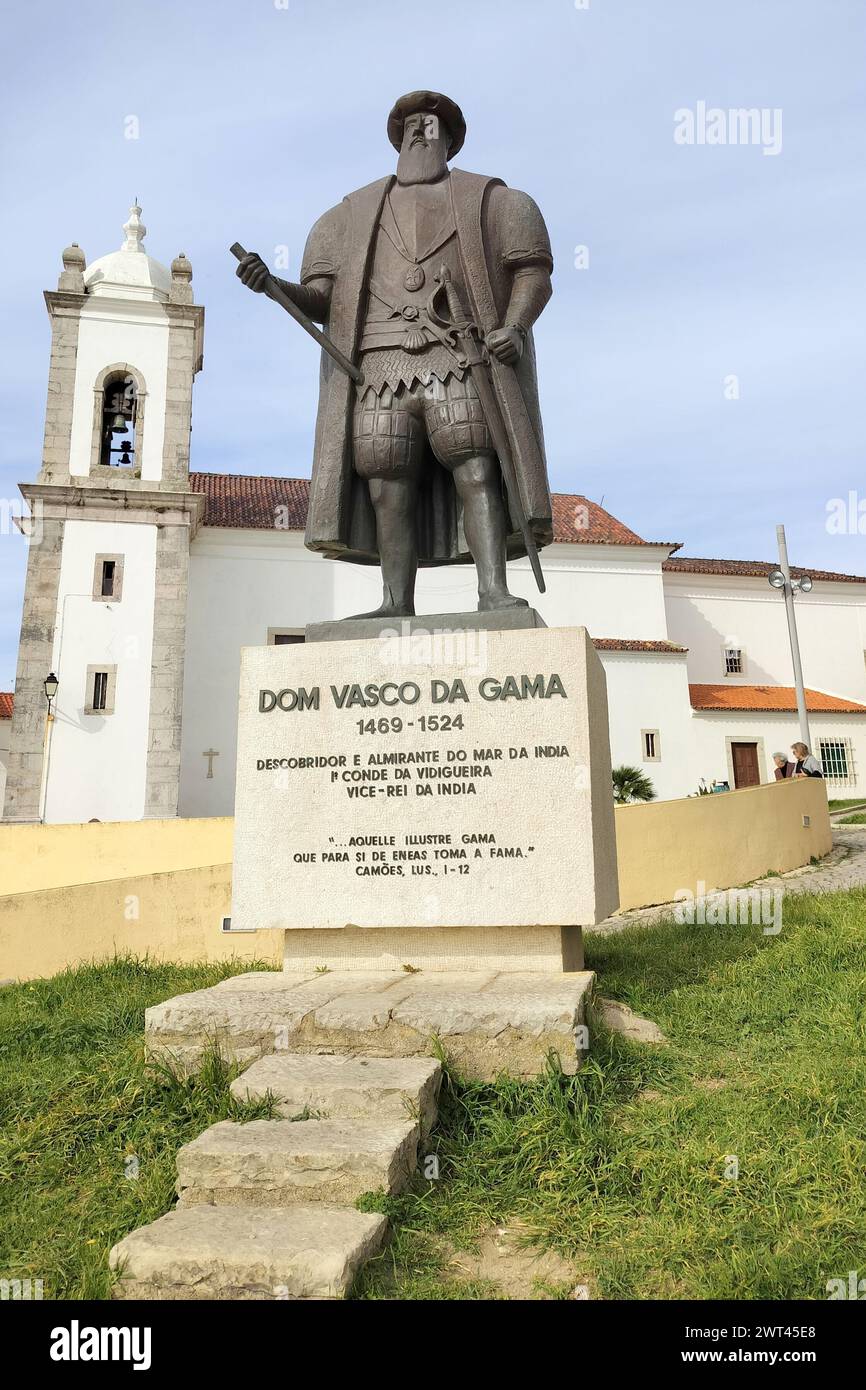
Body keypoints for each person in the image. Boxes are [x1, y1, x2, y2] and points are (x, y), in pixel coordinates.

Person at [236, 91, 554, 618]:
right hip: (379, 365)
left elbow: (532, 271)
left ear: (449, 138)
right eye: (410, 124)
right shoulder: (347, 216)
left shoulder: (492, 200)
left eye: (431, 123)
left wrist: (515, 327)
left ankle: (493, 591)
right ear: (397, 137)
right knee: (386, 482)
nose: (420, 131)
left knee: (475, 468)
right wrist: (273, 284)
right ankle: (394, 602)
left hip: (459, 356)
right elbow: (323, 302)